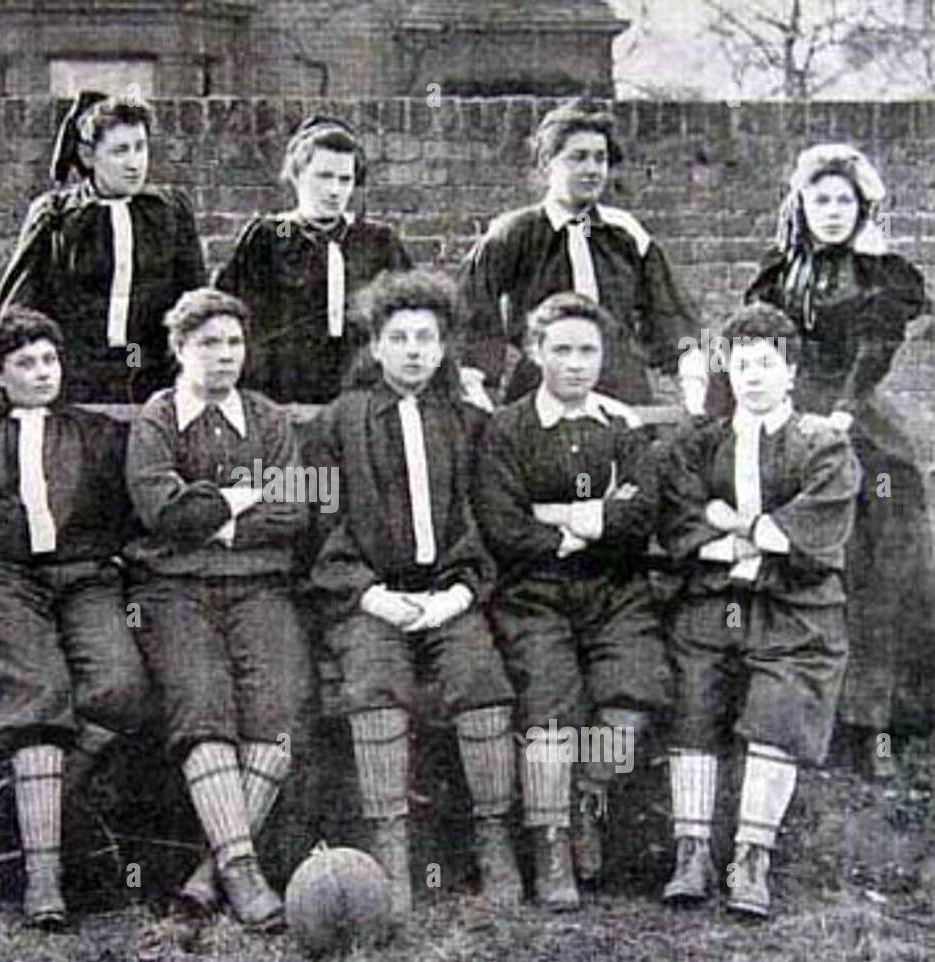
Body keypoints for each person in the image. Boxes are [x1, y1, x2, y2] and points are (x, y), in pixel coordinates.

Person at [0, 307, 150, 929]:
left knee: (120, 686)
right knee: (41, 692)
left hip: (84, 575)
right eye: (25, 363)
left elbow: (129, 513)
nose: (43, 372)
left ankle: (34, 798)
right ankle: (43, 883)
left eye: (50, 359)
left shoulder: (99, 434)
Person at [306, 268, 518, 923]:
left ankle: (494, 840)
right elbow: (319, 525)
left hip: (450, 593)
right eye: (399, 337)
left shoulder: (469, 422)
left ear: (445, 345)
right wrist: (369, 595)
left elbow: (486, 522)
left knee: (478, 675)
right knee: (372, 680)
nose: (415, 350)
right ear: (374, 345)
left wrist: (458, 594)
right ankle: (390, 850)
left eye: (428, 337)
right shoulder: (334, 424)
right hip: (369, 597)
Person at [731, 143, 933, 778]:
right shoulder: (776, 272)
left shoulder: (884, 277)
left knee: (882, 570)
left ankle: (873, 725)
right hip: (792, 426)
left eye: (845, 199)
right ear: (801, 205)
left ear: (862, 206)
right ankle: (794, 720)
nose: (833, 210)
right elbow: (751, 342)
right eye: (821, 199)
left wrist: (841, 415)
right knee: (804, 569)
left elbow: (874, 351)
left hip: (862, 432)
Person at [473, 292, 672, 910]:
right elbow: (505, 528)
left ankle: (588, 796)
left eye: (588, 350)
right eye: (561, 350)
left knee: (633, 689)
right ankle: (550, 841)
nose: (576, 364)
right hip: (534, 595)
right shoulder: (506, 428)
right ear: (536, 353)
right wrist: (597, 519)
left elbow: (642, 515)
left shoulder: (621, 425)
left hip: (616, 591)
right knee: (550, 700)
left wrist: (561, 516)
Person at [660, 305, 858, 918]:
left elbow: (805, 533)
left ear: (791, 371)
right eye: (742, 365)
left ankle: (753, 857)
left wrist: (739, 522)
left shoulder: (821, 442)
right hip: (717, 600)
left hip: (794, 603)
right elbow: (682, 517)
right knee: (695, 694)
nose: (753, 377)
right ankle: (691, 852)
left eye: (767, 364)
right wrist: (745, 533)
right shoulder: (703, 443)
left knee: (780, 702)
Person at [125, 288, 313, 930]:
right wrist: (239, 499)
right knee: (202, 703)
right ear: (179, 349)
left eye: (234, 342)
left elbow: (296, 509)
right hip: (173, 589)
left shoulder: (268, 419)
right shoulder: (156, 419)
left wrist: (215, 515)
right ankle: (240, 867)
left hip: (260, 586)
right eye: (209, 343)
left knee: (281, 705)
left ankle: (209, 874)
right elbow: (165, 514)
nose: (225, 355)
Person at [0, 92, 205, 409]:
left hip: (154, 383)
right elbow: (19, 307)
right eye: (120, 151)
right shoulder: (56, 215)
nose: (134, 163)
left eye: (140, 147)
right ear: (89, 156)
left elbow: (192, 300)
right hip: (74, 384)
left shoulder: (169, 211)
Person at [457, 98, 702, 410]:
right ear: (548, 163)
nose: (591, 170)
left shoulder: (625, 232)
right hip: (541, 391)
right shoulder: (514, 233)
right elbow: (473, 310)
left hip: (620, 390)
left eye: (600, 159)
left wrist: (691, 376)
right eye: (578, 158)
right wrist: (476, 382)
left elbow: (670, 312)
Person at [214, 115, 445, 405]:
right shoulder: (268, 237)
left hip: (361, 399)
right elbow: (228, 317)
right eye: (323, 177)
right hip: (282, 399)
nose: (335, 191)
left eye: (344, 179)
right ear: (298, 176)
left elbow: (417, 314)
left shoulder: (377, 242)